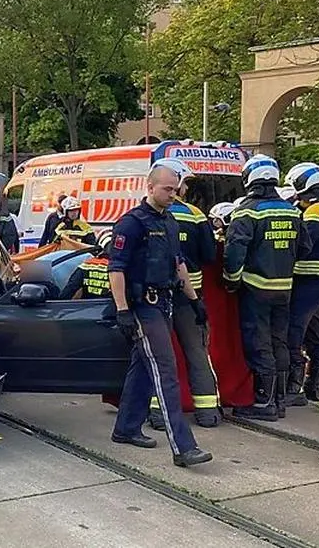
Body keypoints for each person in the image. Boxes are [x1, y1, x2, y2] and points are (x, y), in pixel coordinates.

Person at [108, 164, 213, 468]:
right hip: (142, 306)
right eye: (167, 189)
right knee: (165, 369)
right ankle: (183, 446)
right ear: (150, 187)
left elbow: (179, 265)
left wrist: (195, 303)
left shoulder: (170, 222)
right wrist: (123, 311)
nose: (173, 193)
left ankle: (126, 429)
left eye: (176, 188)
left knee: (142, 368)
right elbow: (116, 269)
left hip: (164, 302)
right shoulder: (131, 223)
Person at [224, 154, 311, 421]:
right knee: (279, 341)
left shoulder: (247, 210)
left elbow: (235, 251)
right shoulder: (292, 210)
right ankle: (280, 400)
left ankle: (264, 402)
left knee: (258, 342)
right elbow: (305, 248)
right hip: (284, 287)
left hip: (254, 287)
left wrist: (231, 280)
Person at [148, 158, 221, 429]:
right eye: (185, 182)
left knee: (160, 356)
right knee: (196, 352)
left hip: (155, 298)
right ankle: (208, 413)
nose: (186, 188)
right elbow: (210, 255)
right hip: (190, 298)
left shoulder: (143, 214)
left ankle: (158, 413)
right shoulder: (195, 215)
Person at [282, 162, 319, 405]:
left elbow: (304, 244)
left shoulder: (315, 211)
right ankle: (314, 387)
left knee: (294, 332)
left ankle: (294, 390)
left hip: (306, 281)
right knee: (317, 332)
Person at [60, 230, 114, 299]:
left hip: (86, 308)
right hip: (112, 308)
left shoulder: (85, 266)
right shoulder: (119, 269)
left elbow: (67, 292)